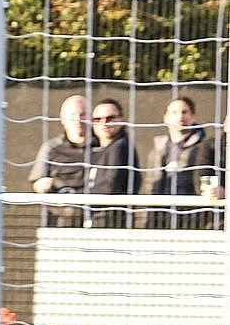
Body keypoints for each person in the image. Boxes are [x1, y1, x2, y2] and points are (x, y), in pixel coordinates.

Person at [149, 96, 222, 228]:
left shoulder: (205, 149)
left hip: (191, 221)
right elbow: (149, 186)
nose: (180, 116)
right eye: (174, 112)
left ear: (193, 117)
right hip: (159, 221)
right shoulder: (157, 149)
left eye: (184, 112)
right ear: (165, 117)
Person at [28, 94, 94, 228]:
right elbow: (37, 182)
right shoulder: (51, 148)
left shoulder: (103, 147)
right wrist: (42, 185)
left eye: (83, 114)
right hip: (59, 224)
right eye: (73, 115)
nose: (78, 120)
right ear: (62, 119)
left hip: (96, 223)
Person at [82, 97, 139, 227]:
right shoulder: (93, 149)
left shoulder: (121, 147)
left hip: (111, 225)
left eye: (110, 118)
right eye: (97, 119)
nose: (104, 123)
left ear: (121, 119)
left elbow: (110, 186)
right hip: (93, 221)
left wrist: (76, 196)